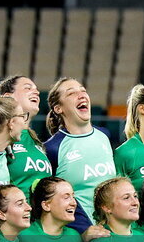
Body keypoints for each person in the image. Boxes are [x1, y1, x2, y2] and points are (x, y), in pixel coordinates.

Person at [43, 78, 116, 232]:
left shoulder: (104, 135)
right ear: (58, 108)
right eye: (71, 93)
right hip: (80, 233)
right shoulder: (52, 148)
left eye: (83, 90)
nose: (81, 95)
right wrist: (83, 229)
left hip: (115, 228)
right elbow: (49, 200)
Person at [0, 75, 52, 200]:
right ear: (8, 97)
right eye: (27, 88)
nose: (36, 92)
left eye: (36, 89)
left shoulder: (36, 142)